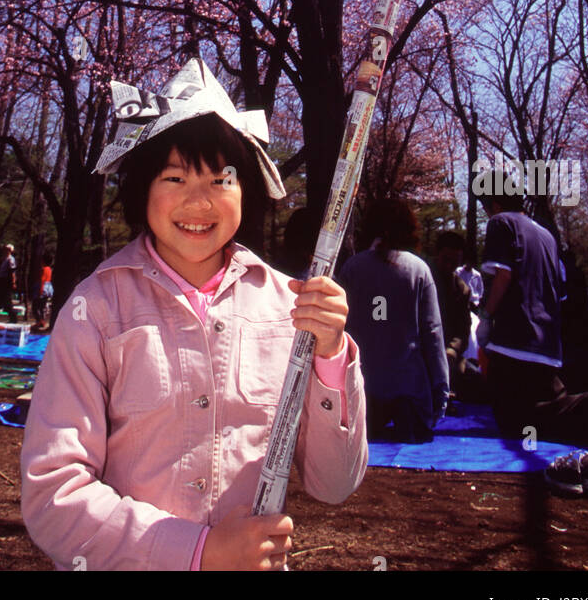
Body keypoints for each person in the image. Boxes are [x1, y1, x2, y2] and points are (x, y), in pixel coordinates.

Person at [21, 59, 368, 572]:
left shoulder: (287, 306)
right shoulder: (95, 308)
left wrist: (331, 357)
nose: (198, 201)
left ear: (246, 192)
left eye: (221, 180)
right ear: (142, 189)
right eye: (175, 178)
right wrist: (198, 553)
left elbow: (334, 485)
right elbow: (54, 495)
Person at [480, 190, 588, 458]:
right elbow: (559, 292)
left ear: (495, 205)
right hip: (547, 345)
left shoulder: (501, 222)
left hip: (513, 340)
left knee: (513, 421)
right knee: (546, 404)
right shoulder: (547, 235)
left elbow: (504, 274)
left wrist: (487, 316)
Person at [340, 198, 449, 442]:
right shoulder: (418, 270)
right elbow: (433, 334)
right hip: (408, 392)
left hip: (362, 393)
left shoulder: (352, 268)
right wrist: (441, 394)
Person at [431, 231, 487, 402]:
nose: (449, 266)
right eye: (445, 260)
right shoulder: (419, 278)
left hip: (449, 357)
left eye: (454, 262)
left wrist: (453, 350)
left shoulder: (462, 289)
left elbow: (463, 328)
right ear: (436, 254)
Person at [0, 245, 18, 323]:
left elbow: (12, 272)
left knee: (5, 301)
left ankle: (13, 318)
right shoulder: (4, 259)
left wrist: (13, 282)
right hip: (1, 281)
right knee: (3, 301)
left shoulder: (11, 259)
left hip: (6, 282)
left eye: (7, 250)